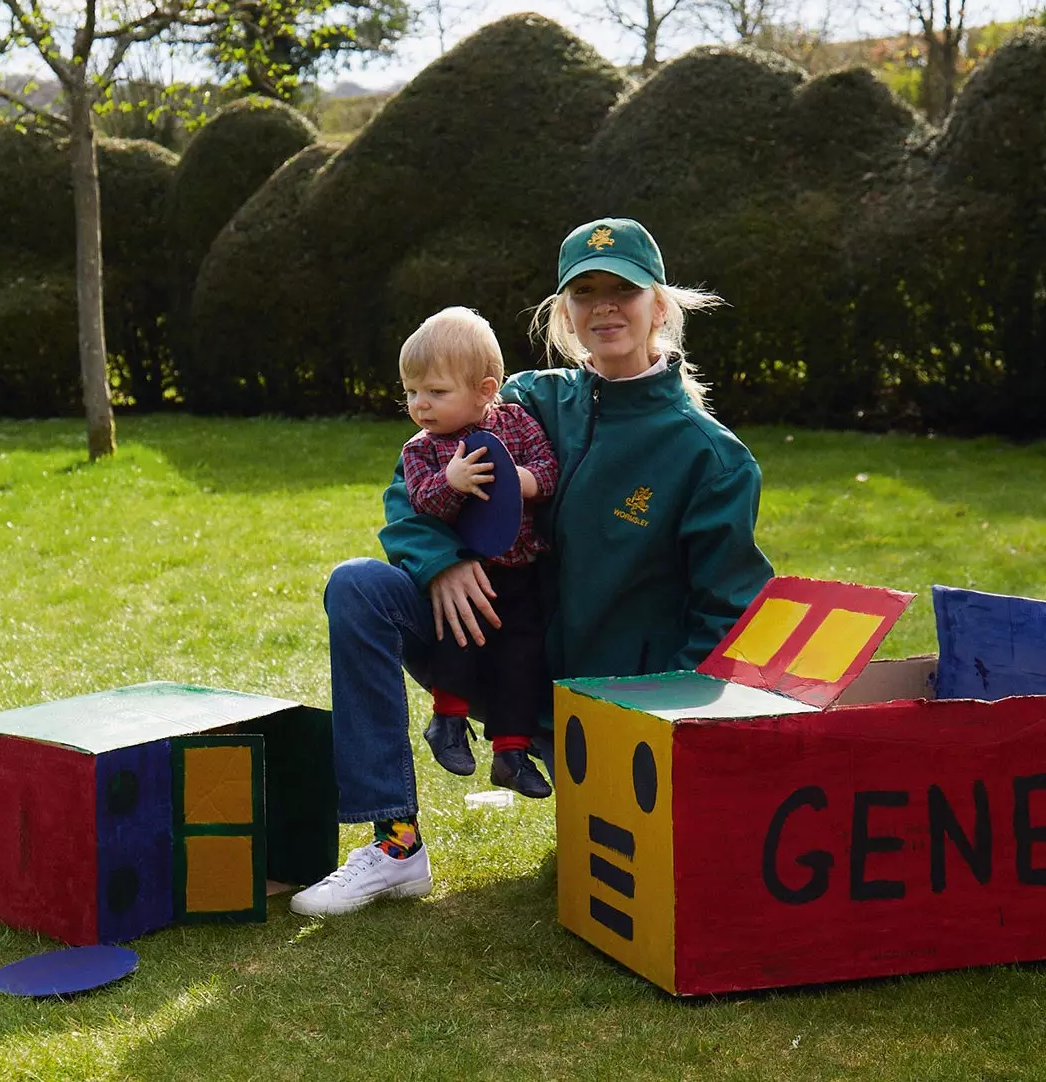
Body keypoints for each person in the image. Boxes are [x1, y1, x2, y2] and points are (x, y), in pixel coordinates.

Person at [290, 217, 774, 917]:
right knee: (359, 586)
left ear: (659, 306)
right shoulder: (520, 401)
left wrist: (667, 751)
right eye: (586, 293)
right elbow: (410, 486)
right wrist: (442, 562)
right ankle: (395, 845)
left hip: (609, 710)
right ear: (564, 313)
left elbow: (728, 616)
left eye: (623, 291)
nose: (605, 306)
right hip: (492, 645)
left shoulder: (710, 456)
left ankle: (572, 772)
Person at [397, 306, 558, 799]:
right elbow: (421, 500)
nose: (421, 405)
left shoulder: (517, 423)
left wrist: (519, 481)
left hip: (520, 570)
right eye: (411, 393)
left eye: (436, 392)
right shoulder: (422, 449)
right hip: (467, 568)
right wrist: (452, 483)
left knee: (522, 656)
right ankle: (446, 721)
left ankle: (511, 751)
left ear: (485, 391)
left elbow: (548, 471)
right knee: (460, 638)